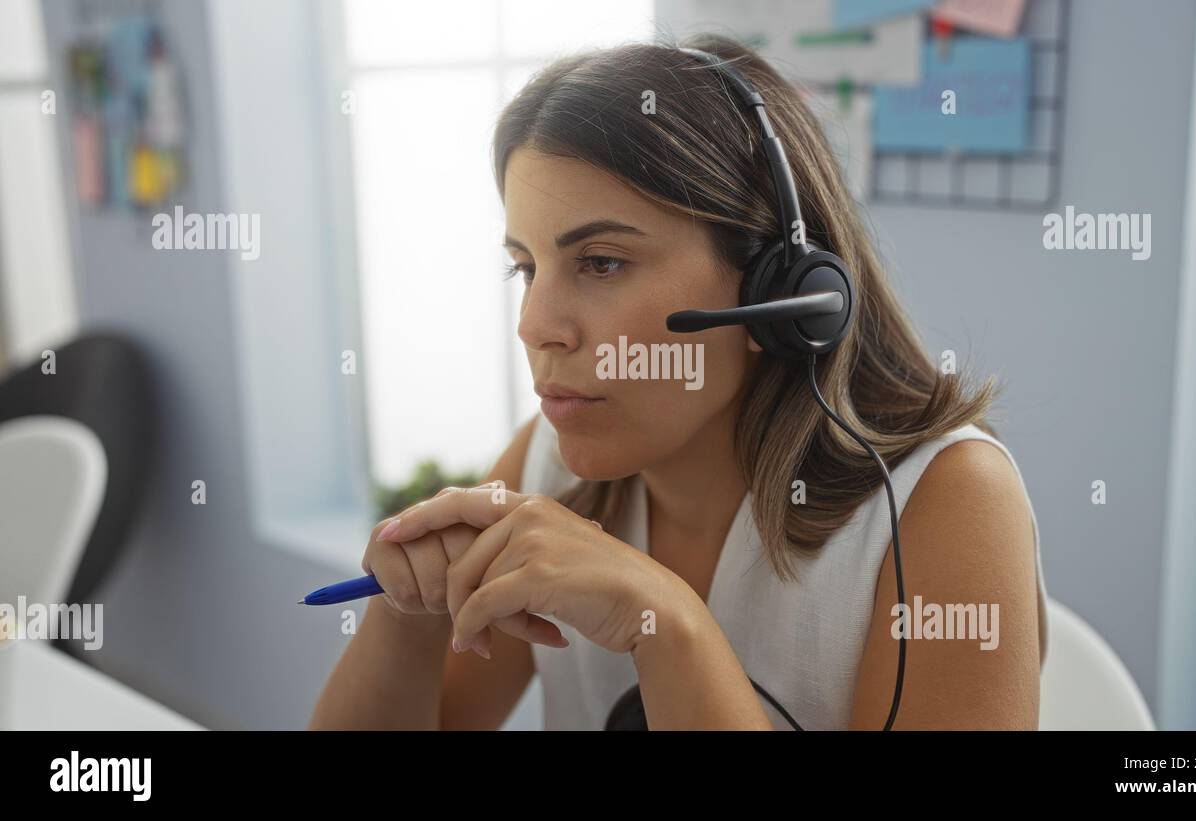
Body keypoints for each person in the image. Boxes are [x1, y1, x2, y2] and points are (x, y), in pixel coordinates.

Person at [310, 34, 1049, 731]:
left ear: (780, 295)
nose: (535, 324)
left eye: (601, 262)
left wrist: (670, 626)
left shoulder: (947, 500)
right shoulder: (548, 461)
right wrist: (407, 610)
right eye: (525, 267)